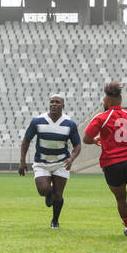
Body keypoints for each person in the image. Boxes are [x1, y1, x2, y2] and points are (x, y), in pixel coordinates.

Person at [84, 81, 127, 238]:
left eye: (104, 100)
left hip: (111, 164)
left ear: (109, 101)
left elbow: (86, 139)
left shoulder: (101, 117)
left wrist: (95, 140)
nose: (103, 102)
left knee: (121, 198)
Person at [18, 93, 82, 229]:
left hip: (61, 163)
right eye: (52, 102)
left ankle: (55, 221)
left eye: (57, 102)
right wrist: (22, 161)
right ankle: (49, 192)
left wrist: (71, 158)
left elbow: (77, 145)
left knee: (58, 195)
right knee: (43, 190)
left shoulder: (69, 124)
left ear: (63, 105)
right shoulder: (38, 121)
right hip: (42, 163)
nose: (54, 104)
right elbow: (26, 140)